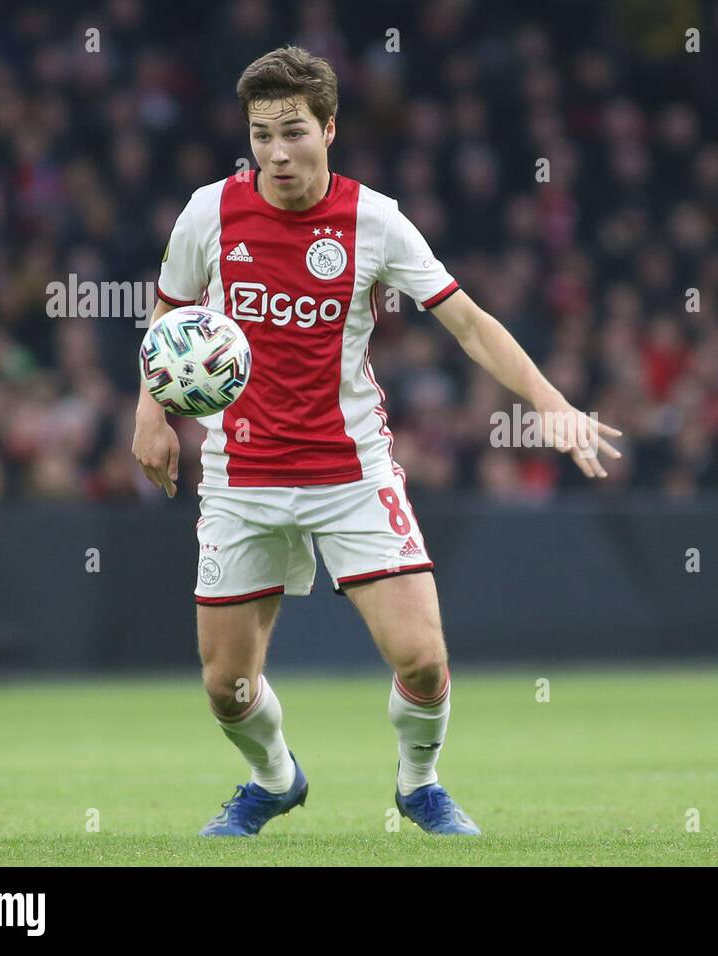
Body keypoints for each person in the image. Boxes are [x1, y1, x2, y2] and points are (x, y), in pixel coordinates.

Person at [131, 46, 621, 834]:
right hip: (239, 474)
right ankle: (273, 778)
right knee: (227, 687)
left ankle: (420, 784)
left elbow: (467, 323)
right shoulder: (208, 212)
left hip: (350, 470)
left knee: (423, 659)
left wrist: (552, 404)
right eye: (261, 135)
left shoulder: (374, 220)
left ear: (329, 127)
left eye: (293, 131)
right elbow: (170, 318)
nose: (276, 152)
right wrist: (151, 413)